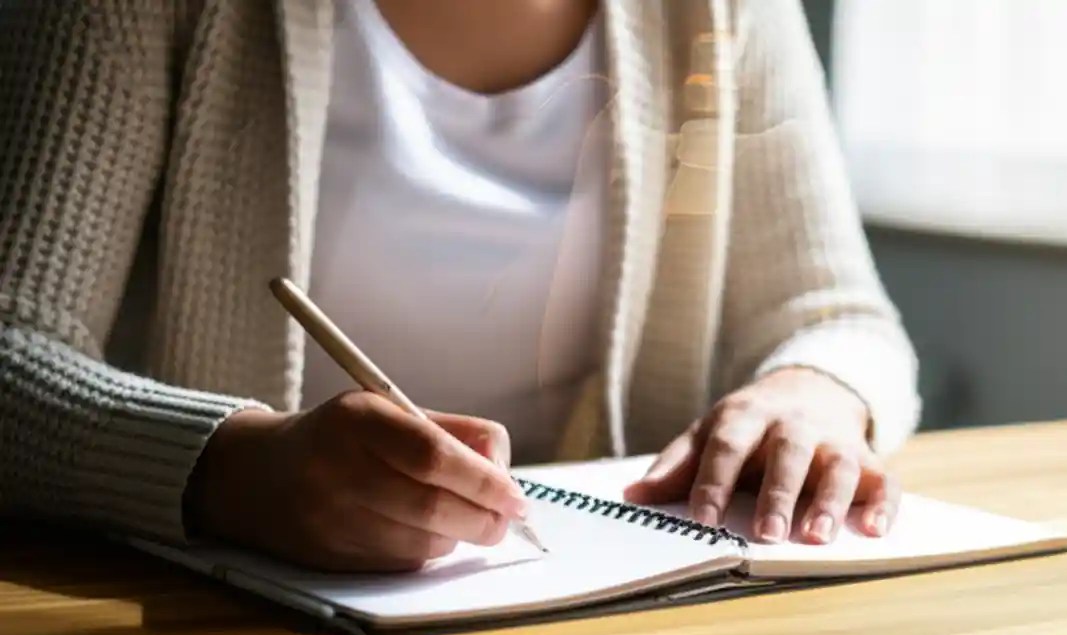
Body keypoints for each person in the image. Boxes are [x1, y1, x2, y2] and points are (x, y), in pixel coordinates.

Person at [0, 0, 920, 572]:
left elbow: (840, 316)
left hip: (599, 629)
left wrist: (819, 389)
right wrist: (233, 469)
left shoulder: (723, 12)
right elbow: (14, 350)